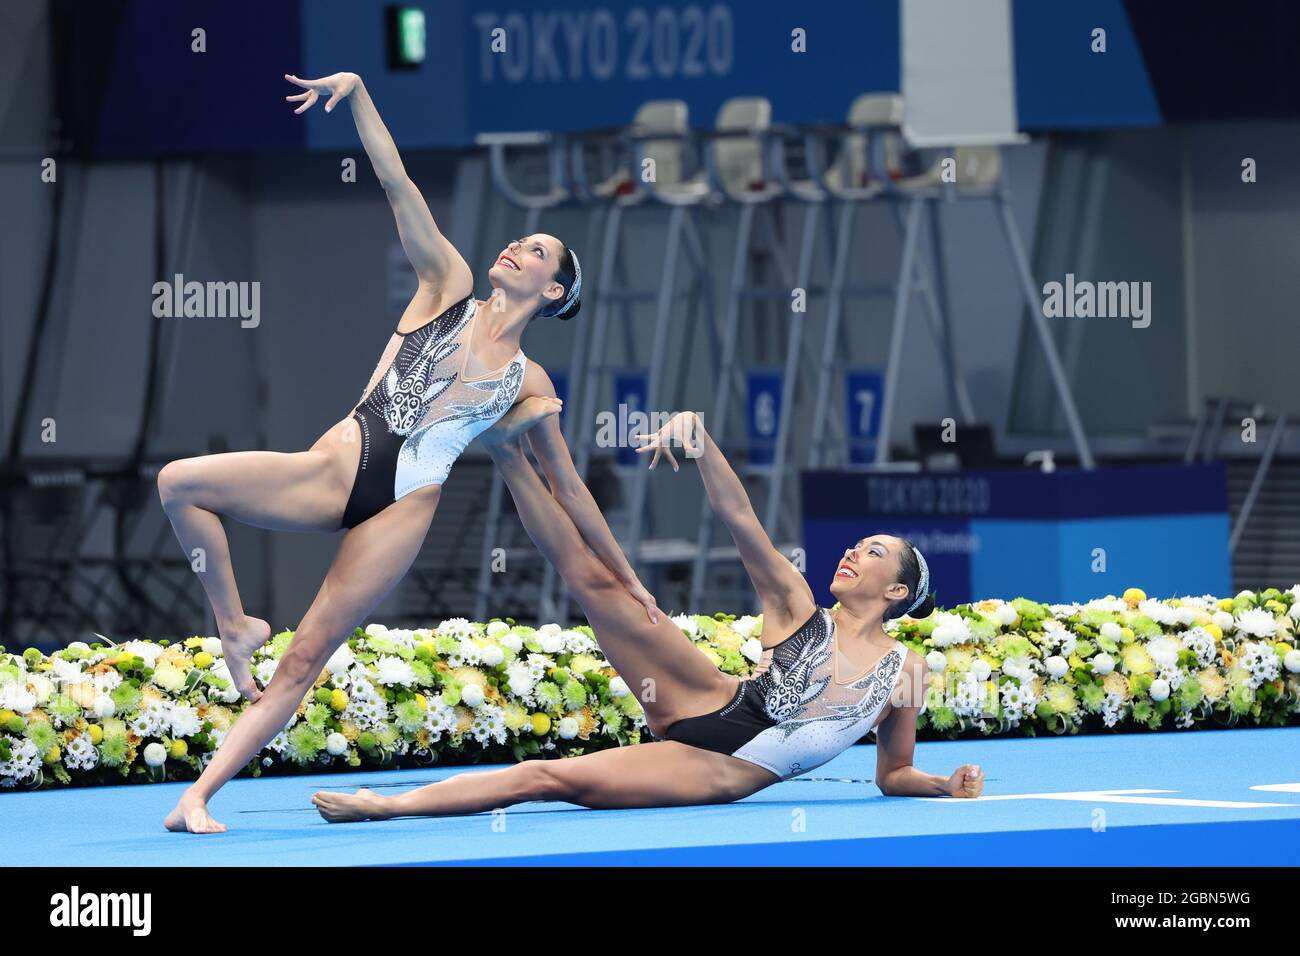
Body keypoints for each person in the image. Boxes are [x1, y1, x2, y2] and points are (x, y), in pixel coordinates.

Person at [161, 72, 658, 833]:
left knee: (305, 657)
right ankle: (233, 624)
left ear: (555, 290)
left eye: (534, 251)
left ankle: (196, 796)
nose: (514, 250)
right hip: (335, 469)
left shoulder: (530, 384)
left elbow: (572, 493)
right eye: (518, 241)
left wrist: (629, 579)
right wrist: (358, 93)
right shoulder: (446, 285)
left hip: (403, 509)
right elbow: (395, 181)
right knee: (179, 484)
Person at [311, 403, 983, 824]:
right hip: (705, 692)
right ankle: (504, 448)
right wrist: (699, 439)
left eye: (872, 553)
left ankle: (386, 807)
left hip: (716, 767)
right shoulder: (798, 605)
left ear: (897, 593)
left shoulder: (906, 671)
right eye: (854, 545)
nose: (851, 555)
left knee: (549, 780)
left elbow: (892, 773)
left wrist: (944, 785)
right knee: (600, 583)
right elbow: (738, 517)